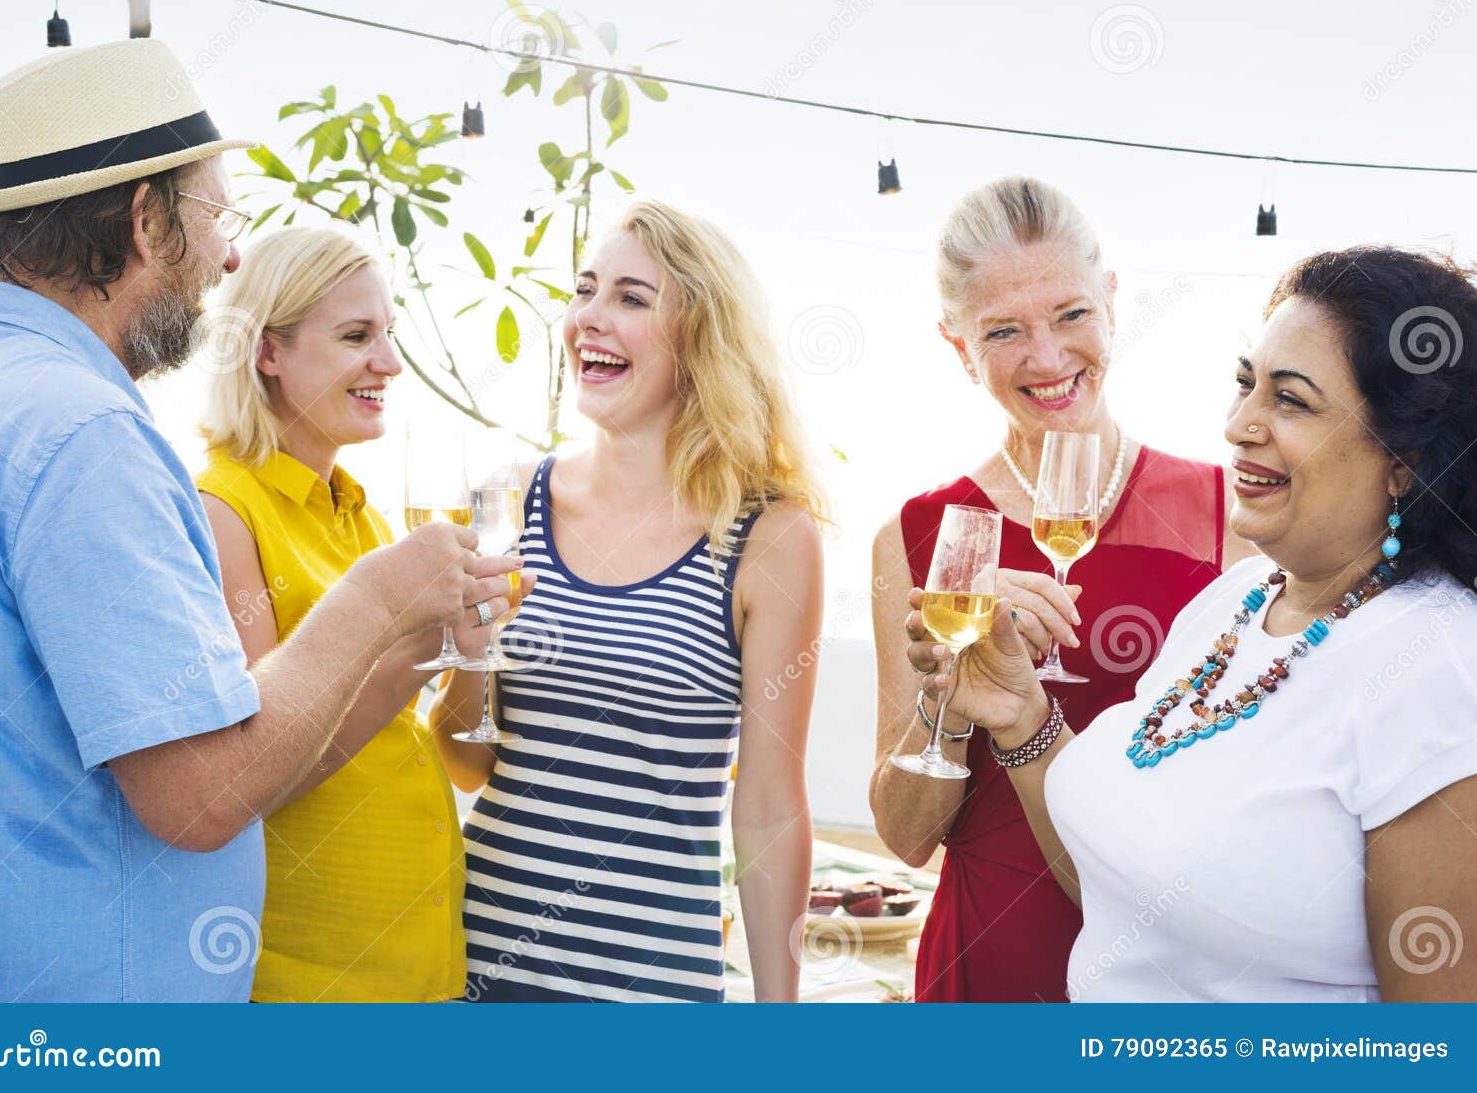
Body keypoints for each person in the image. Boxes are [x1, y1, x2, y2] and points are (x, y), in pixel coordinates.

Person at [0, 40, 514, 1002]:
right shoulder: (83, 434)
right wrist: (380, 597)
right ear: (144, 222)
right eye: (217, 215)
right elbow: (201, 797)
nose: (229, 256)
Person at [942, 244, 1477, 1001]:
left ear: (1404, 460)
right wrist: (1018, 711)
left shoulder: (1439, 668)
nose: (1239, 425)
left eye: (1290, 400)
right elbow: (1125, 893)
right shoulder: (1235, 600)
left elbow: (1436, 1053)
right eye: (1244, 384)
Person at [869, 176, 1256, 1002]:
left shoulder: (1230, 520)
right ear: (958, 348)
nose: (1047, 359)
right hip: (983, 970)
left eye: (1072, 314)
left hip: (1167, 978)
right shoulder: (920, 536)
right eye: (1003, 330)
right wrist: (947, 691)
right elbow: (905, 838)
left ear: (1112, 302)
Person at [437, 200, 827, 1002]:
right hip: (476, 971)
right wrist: (468, 660)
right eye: (586, 291)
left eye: (631, 298)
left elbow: (767, 805)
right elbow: (465, 760)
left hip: (655, 990)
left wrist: (779, 1018)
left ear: (701, 340)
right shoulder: (511, 500)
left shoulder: (769, 537)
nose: (590, 319)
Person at [196, 226, 530, 1001]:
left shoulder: (367, 521)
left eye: (389, 334)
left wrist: (470, 650)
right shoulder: (224, 513)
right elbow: (254, 772)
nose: (388, 362)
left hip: (426, 959)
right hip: (314, 974)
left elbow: (451, 758)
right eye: (356, 336)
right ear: (266, 352)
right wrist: (420, 638)